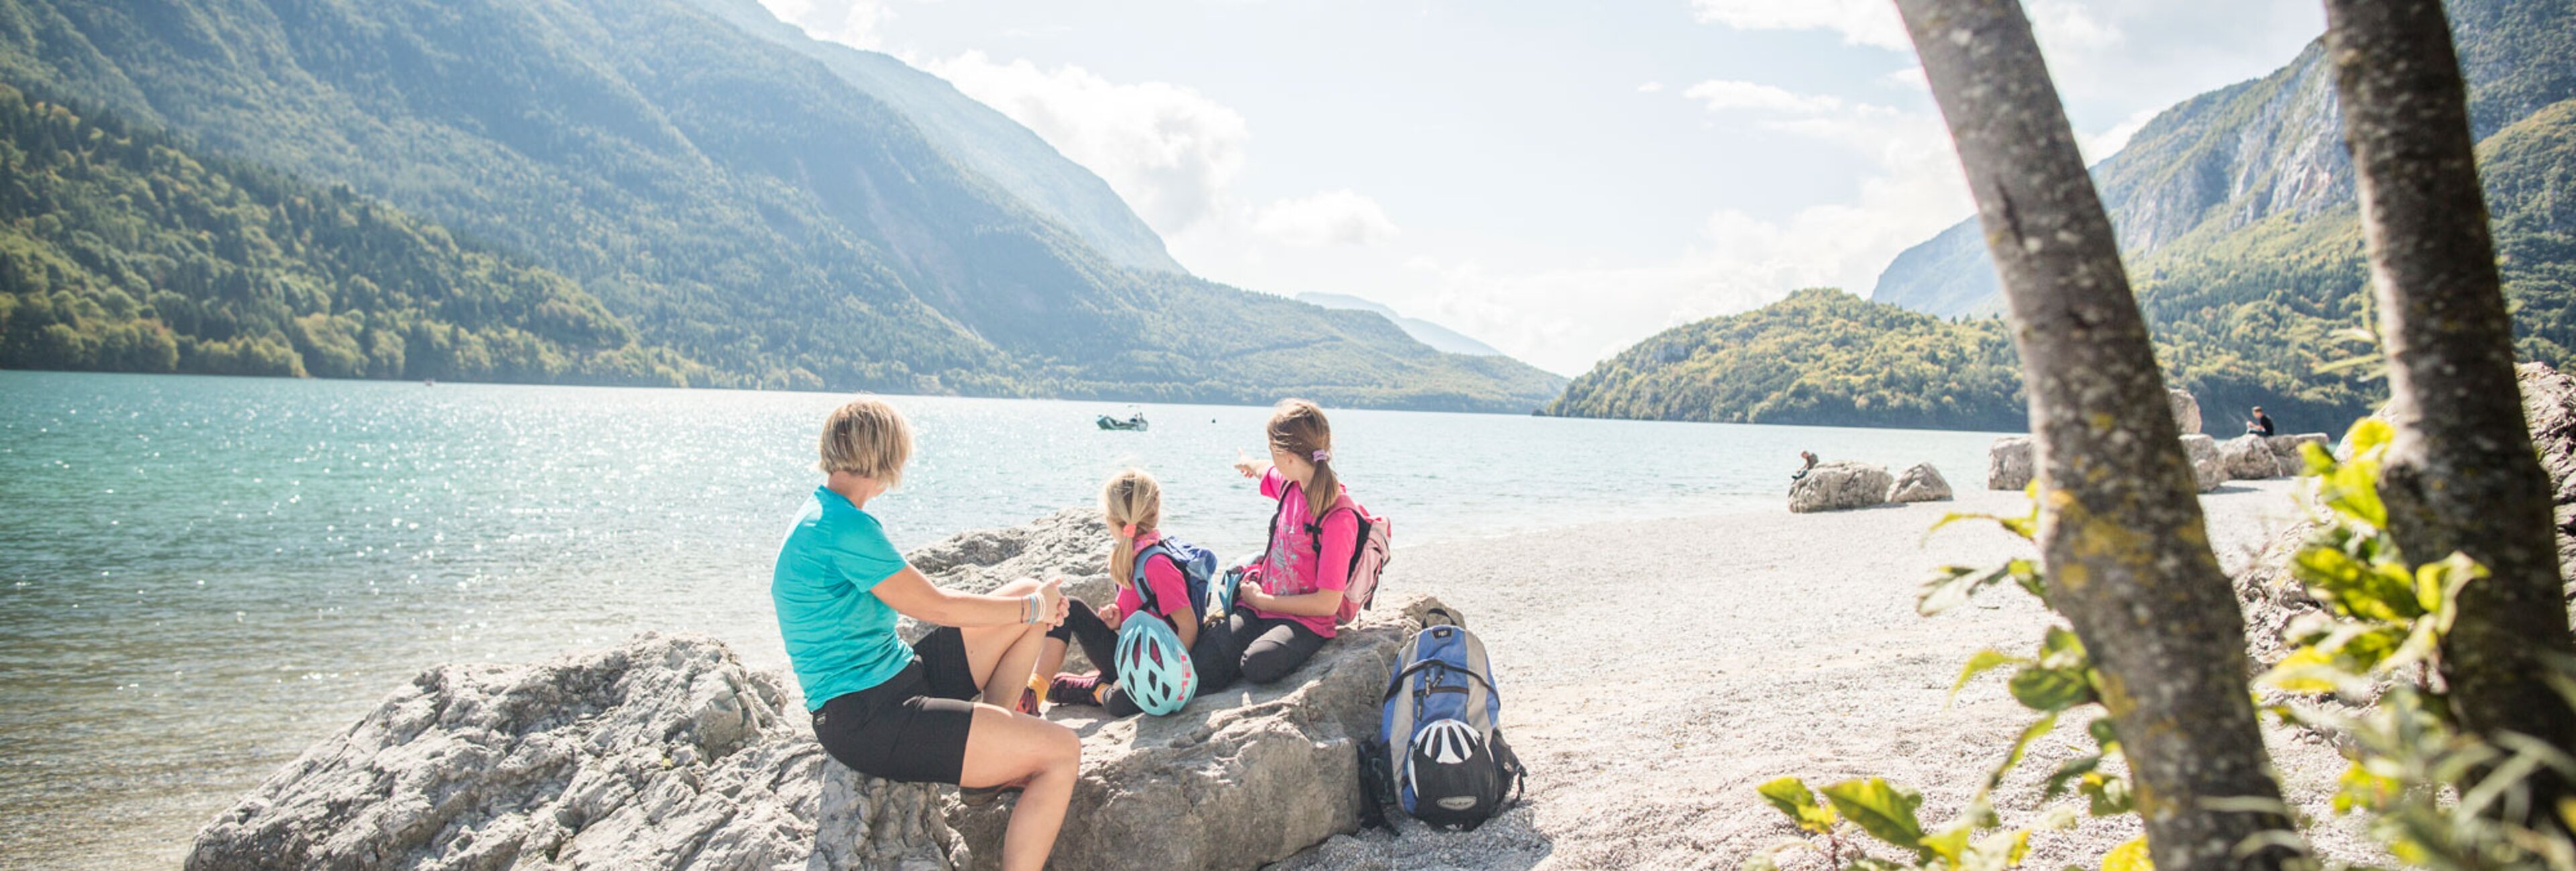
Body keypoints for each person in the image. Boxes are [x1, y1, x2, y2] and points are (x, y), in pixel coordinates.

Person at [771, 397, 1079, 871]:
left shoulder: (825, 511)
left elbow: (930, 598)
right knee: (1063, 752)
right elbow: (935, 605)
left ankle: (989, 767)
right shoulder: (842, 529)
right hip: (871, 719)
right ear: (887, 455)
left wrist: (1030, 606)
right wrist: (1035, 607)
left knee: (1023, 598)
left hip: (896, 678)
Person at [1030, 468, 1240, 715]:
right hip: (1131, 655)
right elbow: (1143, 607)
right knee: (1068, 607)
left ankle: (1095, 689)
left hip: (1159, 665)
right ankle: (1034, 692)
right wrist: (1118, 615)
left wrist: (1173, 673)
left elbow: (1188, 626)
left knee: (1120, 703)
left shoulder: (1158, 565)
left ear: (1111, 519)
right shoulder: (1130, 555)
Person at [1223, 399, 1362, 684]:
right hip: (1260, 607)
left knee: (1257, 665)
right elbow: (1263, 468)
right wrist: (1247, 462)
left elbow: (1327, 604)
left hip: (1306, 621)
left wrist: (1263, 600)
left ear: (1287, 457)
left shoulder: (1338, 516)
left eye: (1271, 451)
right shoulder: (1289, 484)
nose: (1270, 458)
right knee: (1207, 660)